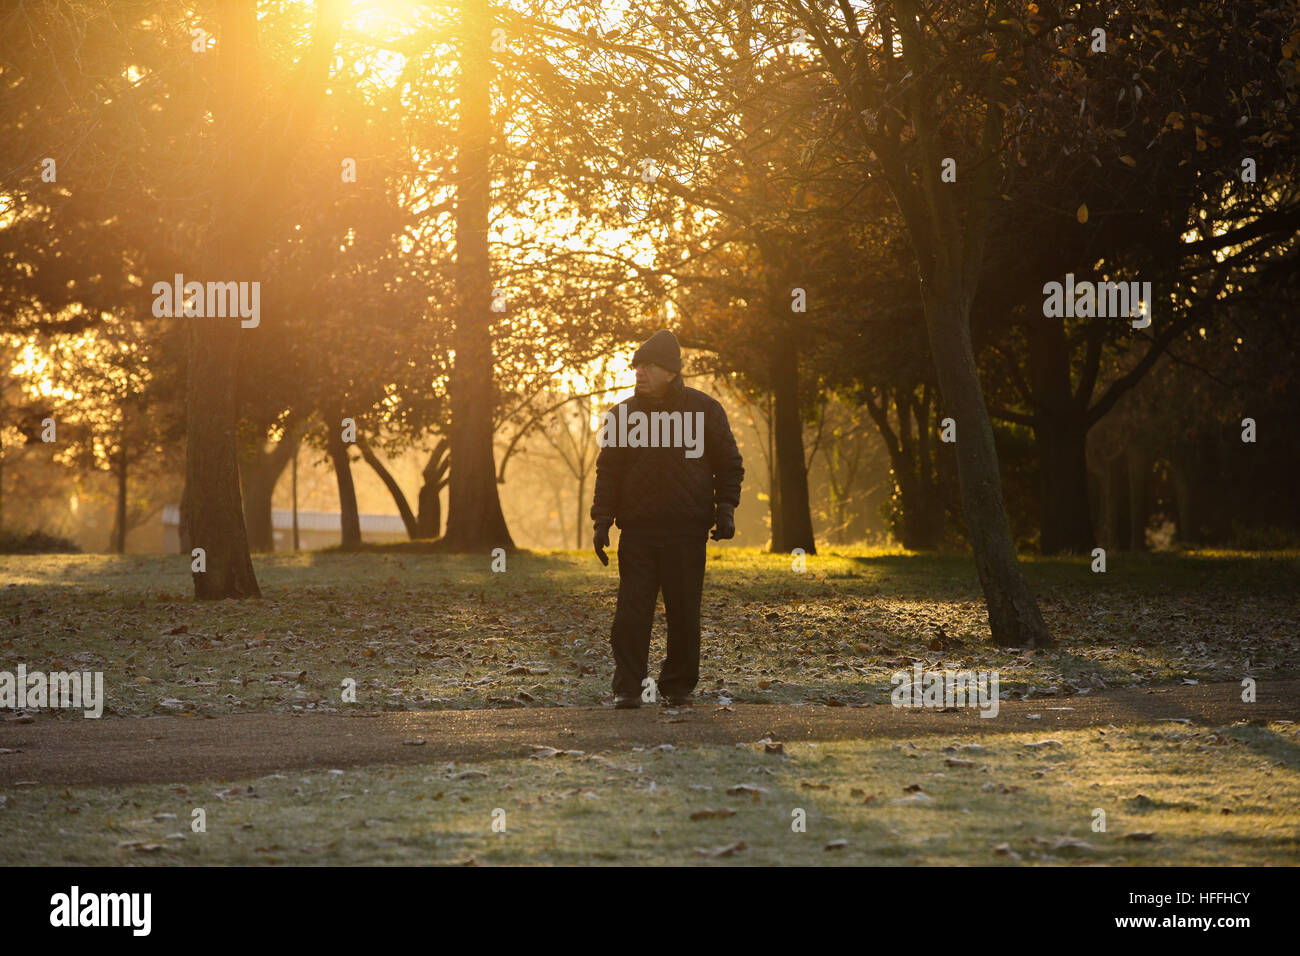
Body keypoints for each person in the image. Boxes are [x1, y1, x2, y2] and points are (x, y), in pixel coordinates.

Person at [590, 329, 744, 709]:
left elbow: (729, 466)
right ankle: (628, 687)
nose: (639, 373)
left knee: (684, 613)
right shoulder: (621, 415)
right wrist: (601, 521)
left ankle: (677, 687)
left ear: (671, 371)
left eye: (649, 366)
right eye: (637, 366)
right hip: (639, 533)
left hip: (686, 532)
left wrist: (725, 509)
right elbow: (608, 472)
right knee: (631, 613)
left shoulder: (705, 411)